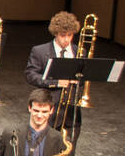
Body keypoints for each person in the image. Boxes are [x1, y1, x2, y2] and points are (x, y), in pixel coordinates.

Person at [25, 11, 83, 146]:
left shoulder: (79, 52)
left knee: (69, 153)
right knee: (45, 149)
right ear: (56, 33)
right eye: (63, 35)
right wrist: (55, 82)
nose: (66, 40)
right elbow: (30, 75)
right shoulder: (39, 51)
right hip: (48, 109)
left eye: (70, 35)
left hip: (71, 112)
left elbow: (83, 80)